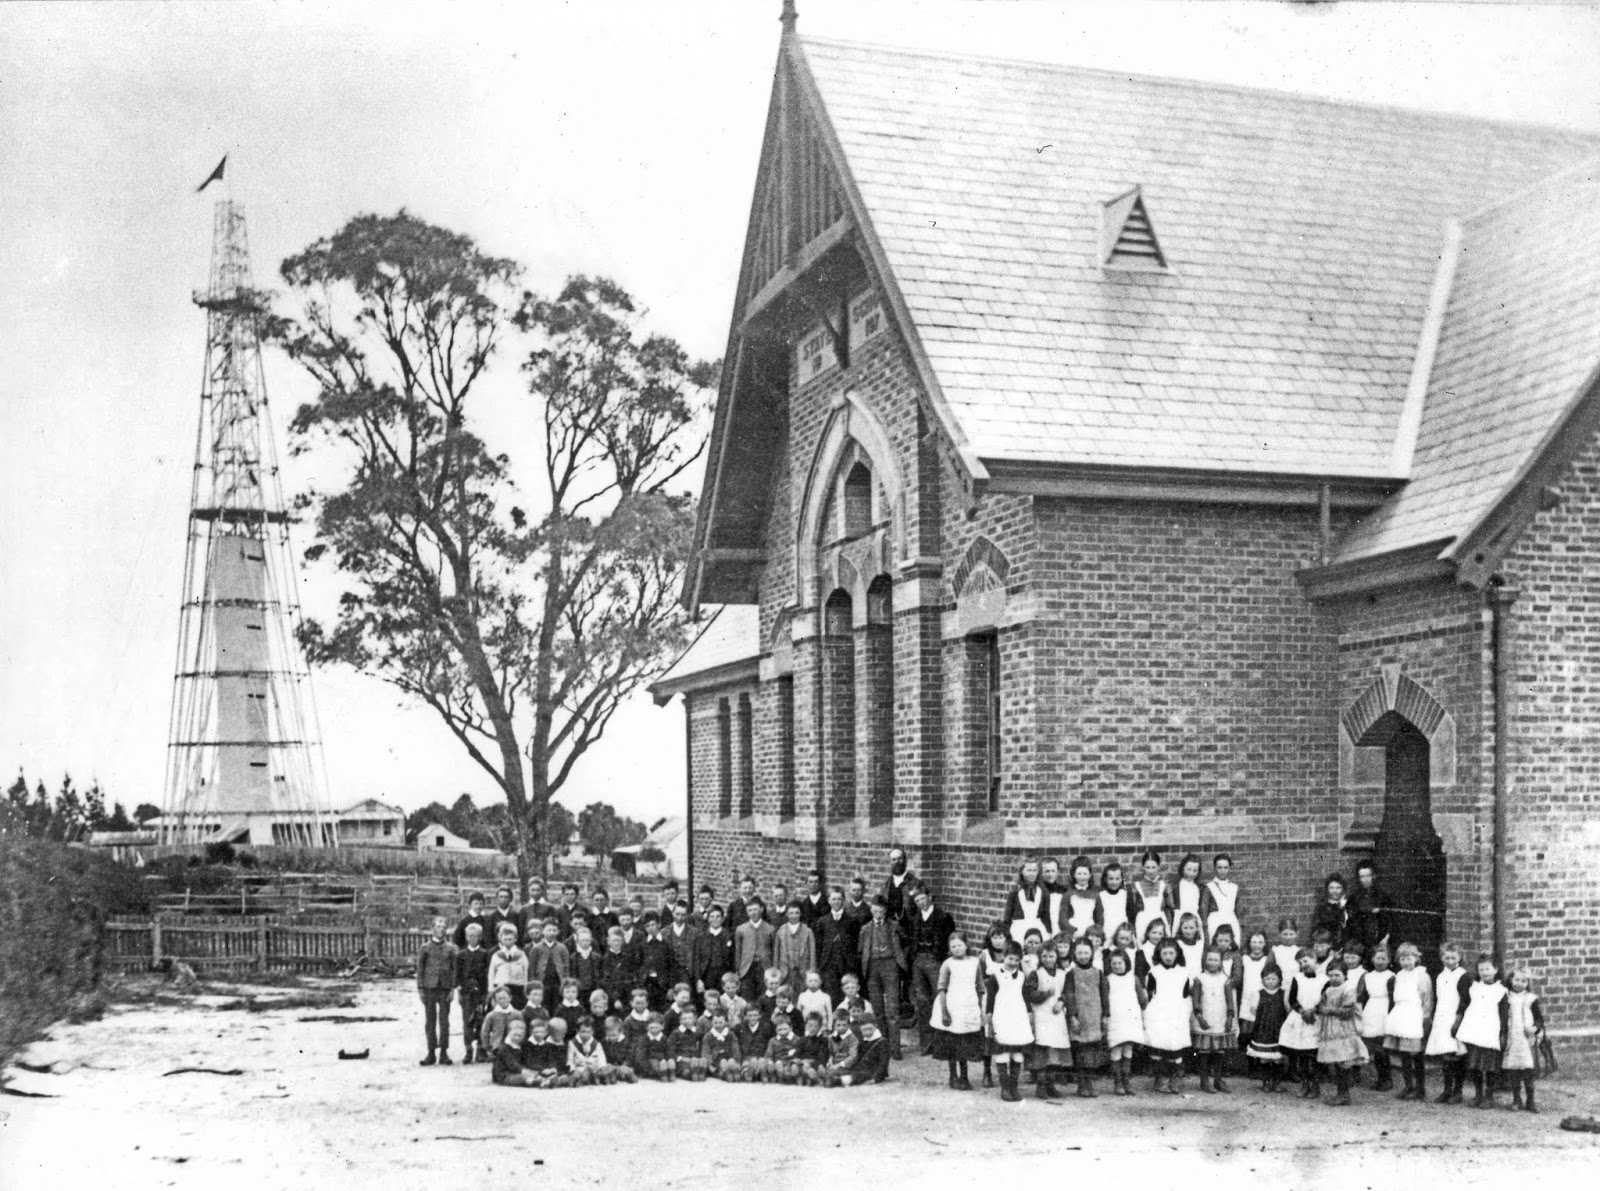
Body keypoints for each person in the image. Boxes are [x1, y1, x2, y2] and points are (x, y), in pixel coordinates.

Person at [930, 930, 985, 1090]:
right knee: (952, 1043)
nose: (957, 948)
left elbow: (980, 987)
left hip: (968, 1006)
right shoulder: (948, 964)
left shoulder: (975, 962)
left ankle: (965, 1077)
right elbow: (941, 989)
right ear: (949, 948)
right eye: (953, 946)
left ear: (966, 945)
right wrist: (945, 1012)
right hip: (952, 1006)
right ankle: (953, 1076)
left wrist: (979, 1007)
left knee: (965, 1043)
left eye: (959, 945)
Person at [1455, 953, 1509, 1108]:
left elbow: (1504, 1014)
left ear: (1495, 970)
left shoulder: (1500, 990)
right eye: (1481, 969)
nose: (1485, 972)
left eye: (1488, 969)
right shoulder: (1474, 987)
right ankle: (1478, 1094)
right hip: (1475, 1030)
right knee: (1475, 1065)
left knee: (1489, 1066)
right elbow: (1467, 1006)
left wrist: (1502, 1032)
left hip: (1490, 1031)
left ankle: (1489, 1095)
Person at [905, 885, 953, 1054]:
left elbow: (949, 939)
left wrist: (939, 955)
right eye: (917, 901)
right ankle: (926, 1043)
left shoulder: (943, 916)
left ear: (930, 897)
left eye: (922, 899)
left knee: (939, 999)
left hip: (935, 960)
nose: (920, 903)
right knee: (922, 1000)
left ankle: (942, 1042)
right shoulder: (915, 918)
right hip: (919, 960)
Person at [858, 895, 907, 1060]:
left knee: (892, 1009)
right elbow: (861, 951)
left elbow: (906, 943)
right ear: (871, 910)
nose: (878, 913)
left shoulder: (894, 926)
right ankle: (882, 1046)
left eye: (881, 910)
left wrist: (899, 959)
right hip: (873, 968)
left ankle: (895, 1049)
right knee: (877, 1009)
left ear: (885, 911)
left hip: (890, 966)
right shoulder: (865, 929)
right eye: (875, 910)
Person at [1384, 941, 1434, 1100]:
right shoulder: (1399, 975)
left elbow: (1427, 999)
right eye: (1402, 959)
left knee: (1416, 1053)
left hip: (1414, 1015)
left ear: (1416, 958)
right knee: (1403, 1054)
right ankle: (1408, 1086)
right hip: (1401, 1015)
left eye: (1409, 958)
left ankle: (1420, 1088)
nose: (1406, 962)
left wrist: (1425, 1017)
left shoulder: (1422, 976)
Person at [985, 942, 1033, 1103]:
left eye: (1017, 960)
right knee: (1003, 1051)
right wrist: (989, 1018)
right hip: (1002, 1017)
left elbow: (1025, 998)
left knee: (1017, 1053)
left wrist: (1029, 1014)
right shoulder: (995, 976)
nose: (1013, 962)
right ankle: (1005, 1088)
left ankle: (1014, 1086)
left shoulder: (1021, 976)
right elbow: (990, 999)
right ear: (1003, 957)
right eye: (1010, 958)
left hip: (1018, 1017)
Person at [1315, 960, 1367, 1106]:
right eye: (1330, 976)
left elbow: (1348, 1011)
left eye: (1337, 975)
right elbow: (1322, 1004)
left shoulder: (1349, 989)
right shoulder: (1328, 990)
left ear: (1345, 975)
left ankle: (1344, 1094)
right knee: (1337, 1061)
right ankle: (1341, 1093)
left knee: (1344, 1061)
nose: (1333, 979)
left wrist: (1330, 1010)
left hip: (1344, 1029)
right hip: (1331, 1029)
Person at [1063, 935, 1110, 1098]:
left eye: (1086, 953)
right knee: (1080, 1052)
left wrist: (1105, 1015)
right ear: (1075, 954)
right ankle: (1081, 1084)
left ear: (1092, 953)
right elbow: (1069, 995)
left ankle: (1089, 1083)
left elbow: (1105, 995)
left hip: (1094, 1017)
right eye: (1080, 953)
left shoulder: (1099, 973)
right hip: (1079, 1018)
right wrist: (1072, 1016)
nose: (1083, 956)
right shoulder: (1071, 974)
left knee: (1092, 1053)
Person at [1023, 937, 1070, 1099]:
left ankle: (1051, 1084)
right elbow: (1029, 994)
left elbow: (1068, 992)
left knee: (1054, 1052)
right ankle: (1041, 1086)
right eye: (1044, 956)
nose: (1048, 960)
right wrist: (1044, 994)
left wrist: (1062, 1001)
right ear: (1040, 957)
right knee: (1042, 1052)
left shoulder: (1063, 974)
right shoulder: (1035, 974)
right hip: (1041, 1016)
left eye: (1051, 956)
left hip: (1057, 1016)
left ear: (1057, 956)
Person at [1425, 941, 1471, 1104]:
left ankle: (1457, 1091)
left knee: (1456, 1054)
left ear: (1459, 958)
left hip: (1456, 1017)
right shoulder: (1440, 976)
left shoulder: (1463, 975)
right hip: (1442, 1017)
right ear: (1441, 958)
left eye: (1453, 957)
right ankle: (1447, 1089)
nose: (1450, 961)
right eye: (1446, 957)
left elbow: (1465, 999)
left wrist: (1458, 1019)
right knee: (1446, 1054)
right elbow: (1438, 998)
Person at [1190, 945, 1237, 1094]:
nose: (1212, 962)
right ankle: (1204, 1080)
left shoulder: (1226, 980)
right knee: (1204, 1052)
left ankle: (1218, 1079)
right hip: (1205, 1019)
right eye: (1209, 959)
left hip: (1220, 1019)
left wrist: (1230, 1016)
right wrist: (1199, 1016)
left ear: (1221, 961)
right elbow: (1196, 1000)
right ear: (1205, 960)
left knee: (1219, 1052)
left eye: (1216, 960)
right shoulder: (1199, 979)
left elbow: (1230, 1000)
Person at [1282, 948, 1327, 1098]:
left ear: (1314, 959)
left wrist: (1313, 1011)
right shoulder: (1298, 978)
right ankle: (1305, 1084)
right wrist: (1302, 1012)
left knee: (1313, 1056)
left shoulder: (1324, 979)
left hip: (1315, 1019)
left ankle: (1315, 1086)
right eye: (1300, 963)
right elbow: (1292, 999)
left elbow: (1325, 1000)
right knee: (1302, 1055)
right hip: (1301, 1019)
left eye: (1306, 961)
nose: (1303, 965)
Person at [1103, 946, 1146, 1096]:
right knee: (1116, 1048)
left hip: (1130, 1018)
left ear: (1126, 963)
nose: (1116, 966)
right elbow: (1105, 1000)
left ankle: (1126, 1081)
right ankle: (1117, 1082)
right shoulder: (1108, 980)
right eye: (1113, 963)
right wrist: (1105, 1016)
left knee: (1128, 1048)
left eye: (1119, 963)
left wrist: (1143, 1013)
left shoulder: (1133, 979)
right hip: (1116, 1018)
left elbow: (1142, 999)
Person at [416, 915, 458, 1067]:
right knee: (430, 1021)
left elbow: (454, 970)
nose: (441, 929)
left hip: (445, 988)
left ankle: (444, 1053)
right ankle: (431, 1052)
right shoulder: (425, 948)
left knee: (444, 1022)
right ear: (432, 928)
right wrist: (420, 988)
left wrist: (453, 988)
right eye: (438, 926)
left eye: (444, 927)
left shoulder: (451, 948)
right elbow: (420, 970)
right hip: (429, 988)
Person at [1502, 968, 1544, 1112]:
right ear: (1511, 980)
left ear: (1527, 983)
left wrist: (1534, 1029)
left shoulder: (1531, 998)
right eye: (1517, 980)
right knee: (1514, 1069)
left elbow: (1539, 1020)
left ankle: (1531, 1100)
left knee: (1528, 1070)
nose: (1519, 983)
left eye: (1523, 981)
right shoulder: (1506, 997)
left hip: (1527, 1039)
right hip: (1512, 1038)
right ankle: (1516, 1099)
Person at [1356, 944, 1394, 1090]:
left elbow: (1392, 997)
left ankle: (1386, 1079)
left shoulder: (1391, 976)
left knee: (1382, 1047)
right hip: (1371, 1009)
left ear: (1389, 960)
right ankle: (1377, 1077)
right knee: (1370, 1045)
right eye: (1377, 958)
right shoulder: (1367, 976)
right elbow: (1362, 996)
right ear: (1372, 959)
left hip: (1384, 1009)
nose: (1380, 961)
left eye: (1384, 958)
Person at [1235, 928, 1270, 1077]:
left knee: (1259, 1033)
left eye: (1260, 942)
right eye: (1254, 942)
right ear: (1249, 943)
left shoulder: (1267, 959)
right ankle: (1249, 1066)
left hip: (1261, 999)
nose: (1257, 945)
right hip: (1246, 999)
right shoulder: (1244, 959)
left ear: (1265, 943)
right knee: (1246, 1034)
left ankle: (1260, 1067)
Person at [1250, 964, 1290, 1092]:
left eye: (1274, 979)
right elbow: (1253, 1011)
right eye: (1268, 979)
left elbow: (1287, 1010)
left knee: (1278, 1058)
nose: (1271, 981)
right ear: (1262, 980)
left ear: (1279, 979)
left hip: (1279, 1030)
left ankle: (1277, 1082)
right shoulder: (1258, 994)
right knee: (1265, 1058)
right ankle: (1266, 1082)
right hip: (1263, 1030)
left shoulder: (1283, 994)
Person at [813, 886, 856, 1003]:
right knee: (830, 996)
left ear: (843, 900)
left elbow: (855, 945)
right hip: (828, 965)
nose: (836, 902)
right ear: (829, 901)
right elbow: (819, 946)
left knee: (846, 996)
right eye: (834, 899)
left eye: (839, 899)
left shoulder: (851, 921)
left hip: (845, 964)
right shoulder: (822, 921)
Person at [455, 920, 490, 1064]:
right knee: (467, 1021)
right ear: (466, 937)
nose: (473, 939)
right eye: (470, 936)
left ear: (480, 937)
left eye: (476, 936)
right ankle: (468, 1051)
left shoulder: (485, 954)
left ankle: (480, 1050)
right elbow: (457, 975)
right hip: (467, 992)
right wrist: (460, 990)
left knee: (481, 1020)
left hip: (481, 991)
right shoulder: (461, 955)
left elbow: (488, 974)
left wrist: (486, 993)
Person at [734, 898, 776, 1003]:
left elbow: (774, 951)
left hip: (764, 968)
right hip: (747, 969)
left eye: (755, 909)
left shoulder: (770, 929)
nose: (753, 913)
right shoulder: (741, 929)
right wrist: (738, 971)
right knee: (747, 998)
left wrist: (773, 970)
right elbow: (738, 952)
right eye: (750, 910)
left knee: (764, 997)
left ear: (761, 909)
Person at [773, 901, 817, 999]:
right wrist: (776, 971)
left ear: (800, 914)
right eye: (791, 913)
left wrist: (811, 971)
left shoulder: (808, 931)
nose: (794, 916)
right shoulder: (781, 931)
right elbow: (776, 953)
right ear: (787, 914)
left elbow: (812, 953)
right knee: (785, 996)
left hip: (802, 972)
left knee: (802, 997)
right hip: (785, 972)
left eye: (796, 913)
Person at [694, 904, 736, 1002]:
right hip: (707, 974)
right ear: (708, 919)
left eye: (718, 916)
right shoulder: (702, 937)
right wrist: (698, 979)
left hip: (724, 974)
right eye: (712, 916)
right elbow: (697, 959)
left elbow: (733, 959)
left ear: (722, 919)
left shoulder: (728, 936)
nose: (715, 919)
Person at [1346, 860, 1390, 952]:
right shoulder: (1354, 898)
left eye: (1368, 876)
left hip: (1379, 939)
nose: (1365, 879)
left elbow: (1390, 920)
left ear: (1374, 876)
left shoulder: (1383, 897)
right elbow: (1351, 920)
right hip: (1360, 940)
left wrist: (1387, 937)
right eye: (1362, 876)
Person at [1003, 859, 1048, 946]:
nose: (1032, 874)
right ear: (1022, 872)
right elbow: (1007, 917)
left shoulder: (1043, 892)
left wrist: (1048, 931)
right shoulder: (1015, 892)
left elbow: (1046, 915)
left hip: (1037, 927)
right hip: (1019, 928)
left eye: (1034, 870)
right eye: (1029, 870)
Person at [637, 912, 676, 1010]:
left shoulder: (666, 943)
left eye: (653, 925)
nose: (650, 928)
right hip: (647, 983)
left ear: (659, 924)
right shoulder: (643, 945)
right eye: (647, 926)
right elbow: (639, 964)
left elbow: (672, 966)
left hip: (662, 984)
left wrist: (671, 987)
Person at [527, 919, 569, 1009]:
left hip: (557, 982)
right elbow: (532, 968)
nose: (551, 933)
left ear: (558, 932)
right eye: (549, 930)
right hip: (542, 982)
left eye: (554, 930)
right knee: (543, 1004)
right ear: (543, 931)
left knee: (556, 1004)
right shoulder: (536, 948)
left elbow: (566, 966)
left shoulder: (562, 948)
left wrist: (565, 982)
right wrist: (533, 983)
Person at [1202, 854, 1240, 947]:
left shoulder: (1234, 887)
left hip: (1231, 921)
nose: (1222, 871)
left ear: (1229, 868)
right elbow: (1204, 909)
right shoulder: (1209, 887)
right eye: (1219, 867)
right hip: (1214, 922)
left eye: (1225, 867)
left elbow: (1239, 910)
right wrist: (1205, 929)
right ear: (1215, 868)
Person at [846, 1013, 892, 1085]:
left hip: (873, 1072)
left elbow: (883, 1063)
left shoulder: (882, 1042)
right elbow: (859, 1058)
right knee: (845, 1071)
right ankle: (828, 1076)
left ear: (875, 1026)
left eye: (870, 1029)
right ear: (860, 1028)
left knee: (855, 1076)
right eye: (864, 1030)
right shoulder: (863, 1040)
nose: (868, 1032)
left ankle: (836, 1081)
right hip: (862, 1069)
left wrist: (876, 1078)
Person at [523, 1016, 568, 1088]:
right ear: (531, 1032)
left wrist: (553, 1067)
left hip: (546, 1070)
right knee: (535, 1076)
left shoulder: (546, 1045)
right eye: (536, 1032)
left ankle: (551, 1081)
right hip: (535, 1070)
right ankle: (545, 1081)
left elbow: (550, 1058)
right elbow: (529, 1062)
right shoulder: (527, 1045)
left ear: (546, 1032)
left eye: (541, 1032)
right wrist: (542, 1069)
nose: (539, 1034)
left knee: (560, 1075)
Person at [665, 900, 700, 992]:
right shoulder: (664, 932)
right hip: (670, 973)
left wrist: (697, 979)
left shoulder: (694, 932)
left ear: (687, 915)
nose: (680, 918)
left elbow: (696, 957)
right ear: (672, 913)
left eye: (683, 915)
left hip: (687, 972)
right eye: (677, 914)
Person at [1165, 853, 1204, 934]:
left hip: (1194, 919)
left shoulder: (1199, 888)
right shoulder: (1174, 886)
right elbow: (1169, 907)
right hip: (1179, 919)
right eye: (1189, 869)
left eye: (1195, 871)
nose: (1191, 873)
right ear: (1182, 868)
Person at [735, 1004, 775, 1081]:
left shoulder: (767, 1027)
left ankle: (760, 1073)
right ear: (745, 1016)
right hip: (747, 1056)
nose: (752, 1018)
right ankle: (748, 1072)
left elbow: (771, 1042)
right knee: (746, 1067)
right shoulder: (739, 1027)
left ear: (760, 1016)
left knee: (762, 1066)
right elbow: (736, 1044)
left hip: (761, 1056)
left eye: (755, 1015)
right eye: (750, 1015)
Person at [701, 1007, 743, 1080]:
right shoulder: (708, 1036)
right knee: (722, 1068)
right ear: (711, 1022)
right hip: (715, 1062)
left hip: (729, 1058)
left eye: (720, 1022)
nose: (718, 1025)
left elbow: (735, 1049)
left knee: (731, 1063)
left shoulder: (730, 1034)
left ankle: (733, 1070)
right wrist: (710, 1064)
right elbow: (705, 1052)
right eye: (715, 1022)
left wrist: (736, 1060)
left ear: (726, 1022)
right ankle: (726, 1073)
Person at [1096, 861, 1133, 942]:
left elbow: (1130, 915)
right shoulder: (1101, 895)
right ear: (1105, 879)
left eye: (1117, 879)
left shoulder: (1125, 894)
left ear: (1121, 879)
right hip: (1107, 933)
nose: (1114, 882)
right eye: (1111, 879)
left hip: (1123, 934)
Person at [1062, 856, 1098, 941]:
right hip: (1074, 932)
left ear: (1090, 875)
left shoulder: (1095, 895)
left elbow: (1099, 916)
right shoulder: (1068, 895)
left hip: (1090, 932)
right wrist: (1072, 930)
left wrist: (1095, 931)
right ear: (1074, 875)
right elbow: (1063, 917)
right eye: (1079, 874)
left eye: (1085, 874)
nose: (1082, 877)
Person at [821, 1010, 860, 1086]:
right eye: (838, 1025)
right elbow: (831, 1052)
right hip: (835, 1065)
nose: (841, 1027)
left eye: (844, 1025)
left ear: (848, 1025)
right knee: (823, 1071)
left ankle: (835, 1080)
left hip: (847, 1066)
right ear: (834, 1026)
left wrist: (839, 1065)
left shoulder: (852, 1039)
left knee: (833, 1074)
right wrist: (830, 1059)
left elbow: (853, 1056)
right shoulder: (832, 1037)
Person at [670, 1005, 707, 1080]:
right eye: (684, 1018)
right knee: (686, 1071)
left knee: (701, 1064)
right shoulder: (676, 1033)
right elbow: (670, 1050)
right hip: (682, 1060)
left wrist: (701, 1057)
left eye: (690, 1018)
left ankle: (700, 1072)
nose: (687, 1021)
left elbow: (702, 1046)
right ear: (680, 1020)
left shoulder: (698, 1031)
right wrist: (681, 1058)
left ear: (695, 1019)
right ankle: (692, 1074)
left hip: (696, 1058)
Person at [1311, 874, 1349, 946]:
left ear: (1343, 889)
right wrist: (1340, 907)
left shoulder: (1348, 905)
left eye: (1338, 888)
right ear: (1327, 890)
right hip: (1329, 945)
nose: (1335, 891)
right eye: (1331, 888)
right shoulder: (1322, 908)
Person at [491, 1017, 529, 1086]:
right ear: (509, 1033)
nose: (517, 1038)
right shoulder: (504, 1047)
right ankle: (537, 1082)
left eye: (519, 1036)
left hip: (515, 1072)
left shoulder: (521, 1045)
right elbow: (511, 1063)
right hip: (504, 1075)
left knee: (532, 1073)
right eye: (515, 1035)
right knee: (524, 1077)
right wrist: (522, 1070)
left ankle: (543, 1080)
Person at [567, 926, 601, 1002]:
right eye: (583, 940)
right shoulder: (572, 958)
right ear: (577, 941)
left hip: (593, 990)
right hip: (579, 992)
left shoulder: (596, 957)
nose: (585, 943)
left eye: (587, 940)